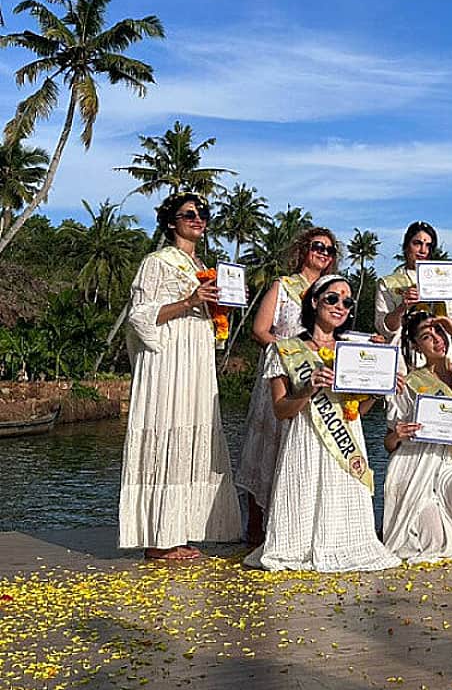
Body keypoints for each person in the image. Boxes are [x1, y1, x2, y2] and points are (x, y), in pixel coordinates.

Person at [244, 275, 401, 572]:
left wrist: (379, 389)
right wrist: (307, 389)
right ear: (314, 302)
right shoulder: (285, 349)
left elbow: (359, 409)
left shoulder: (357, 351)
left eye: (347, 301)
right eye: (332, 298)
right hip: (305, 437)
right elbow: (280, 410)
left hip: (347, 437)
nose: (340, 306)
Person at [120, 192, 241, 560]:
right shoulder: (156, 263)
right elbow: (140, 316)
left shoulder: (203, 265)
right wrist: (189, 302)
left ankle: (182, 531)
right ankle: (158, 539)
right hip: (168, 361)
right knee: (167, 433)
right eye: (188, 214)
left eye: (202, 213)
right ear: (171, 222)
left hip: (196, 360)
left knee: (193, 436)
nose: (197, 218)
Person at [237, 227, 338, 546]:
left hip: (315, 381)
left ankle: (294, 525)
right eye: (317, 247)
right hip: (282, 376)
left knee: (302, 454)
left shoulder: (332, 291)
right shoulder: (283, 286)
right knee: (268, 450)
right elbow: (260, 330)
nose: (323, 253)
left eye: (329, 250)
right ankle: (255, 528)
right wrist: (293, 352)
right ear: (303, 249)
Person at [382, 311, 452, 562]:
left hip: (450, 467)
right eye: (426, 336)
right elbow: (388, 444)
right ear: (416, 346)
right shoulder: (408, 383)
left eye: (439, 332)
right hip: (417, 470)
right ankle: (447, 531)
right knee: (431, 544)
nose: (436, 339)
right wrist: (398, 435)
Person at [374, 221, 452, 363]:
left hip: (441, 356)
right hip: (404, 357)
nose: (423, 250)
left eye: (428, 245)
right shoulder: (388, 283)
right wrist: (402, 307)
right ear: (406, 246)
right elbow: (385, 328)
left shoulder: (442, 280)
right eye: (417, 243)